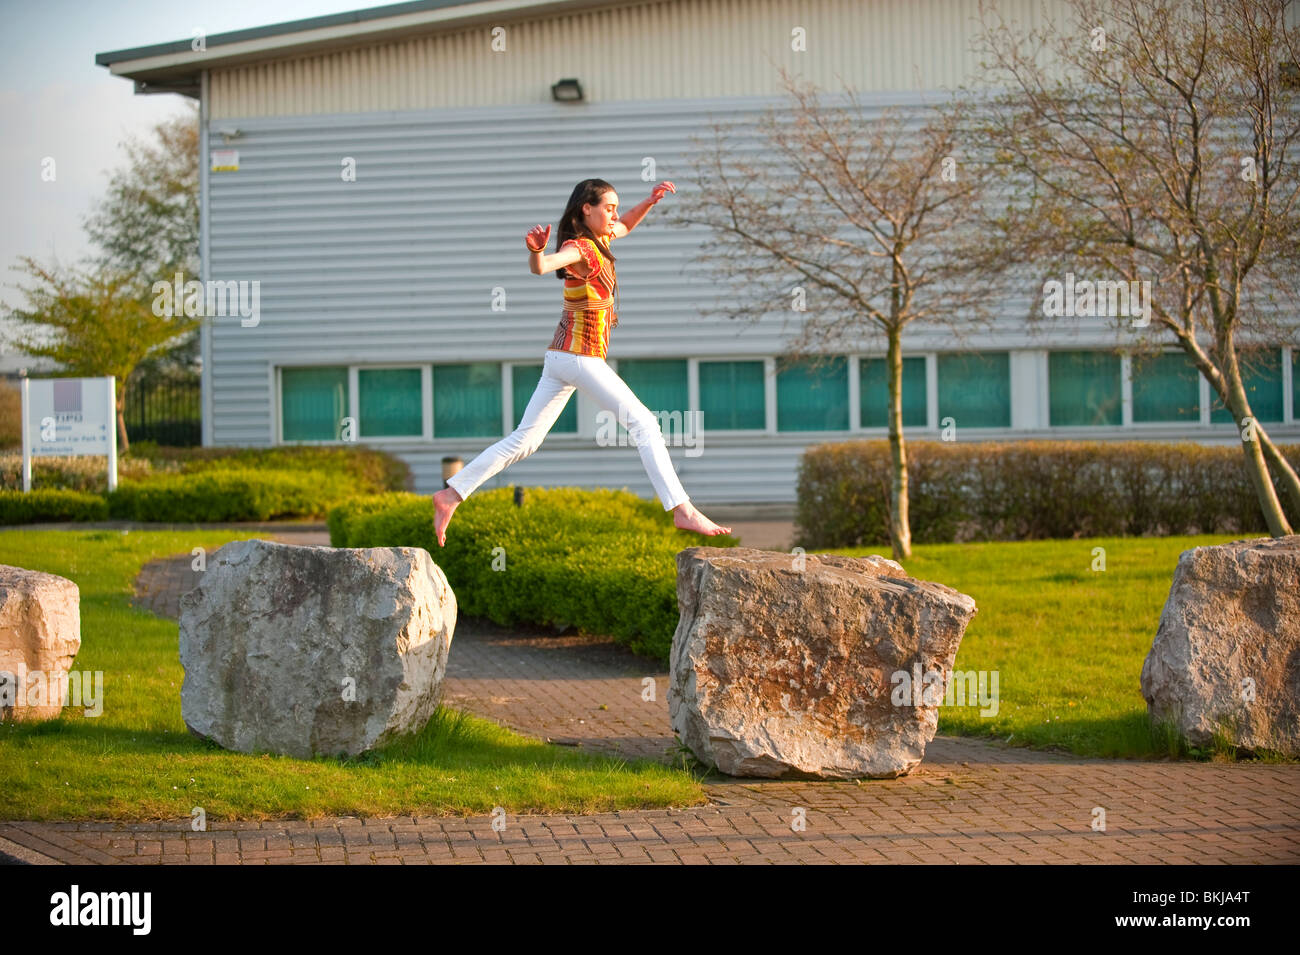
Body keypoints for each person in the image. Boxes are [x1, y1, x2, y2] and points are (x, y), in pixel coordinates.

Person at [431, 177, 732, 547]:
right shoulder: (580, 248)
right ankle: (682, 510)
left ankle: (451, 494)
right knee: (645, 425)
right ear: (585, 209)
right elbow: (542, 268)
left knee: (525, 440)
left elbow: (625, 226)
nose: (615, 215)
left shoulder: (602, 240)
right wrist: (536, 252)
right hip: (578, 358)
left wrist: (650, 202)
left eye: (616, 207)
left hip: (560, 358)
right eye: (608, 207)